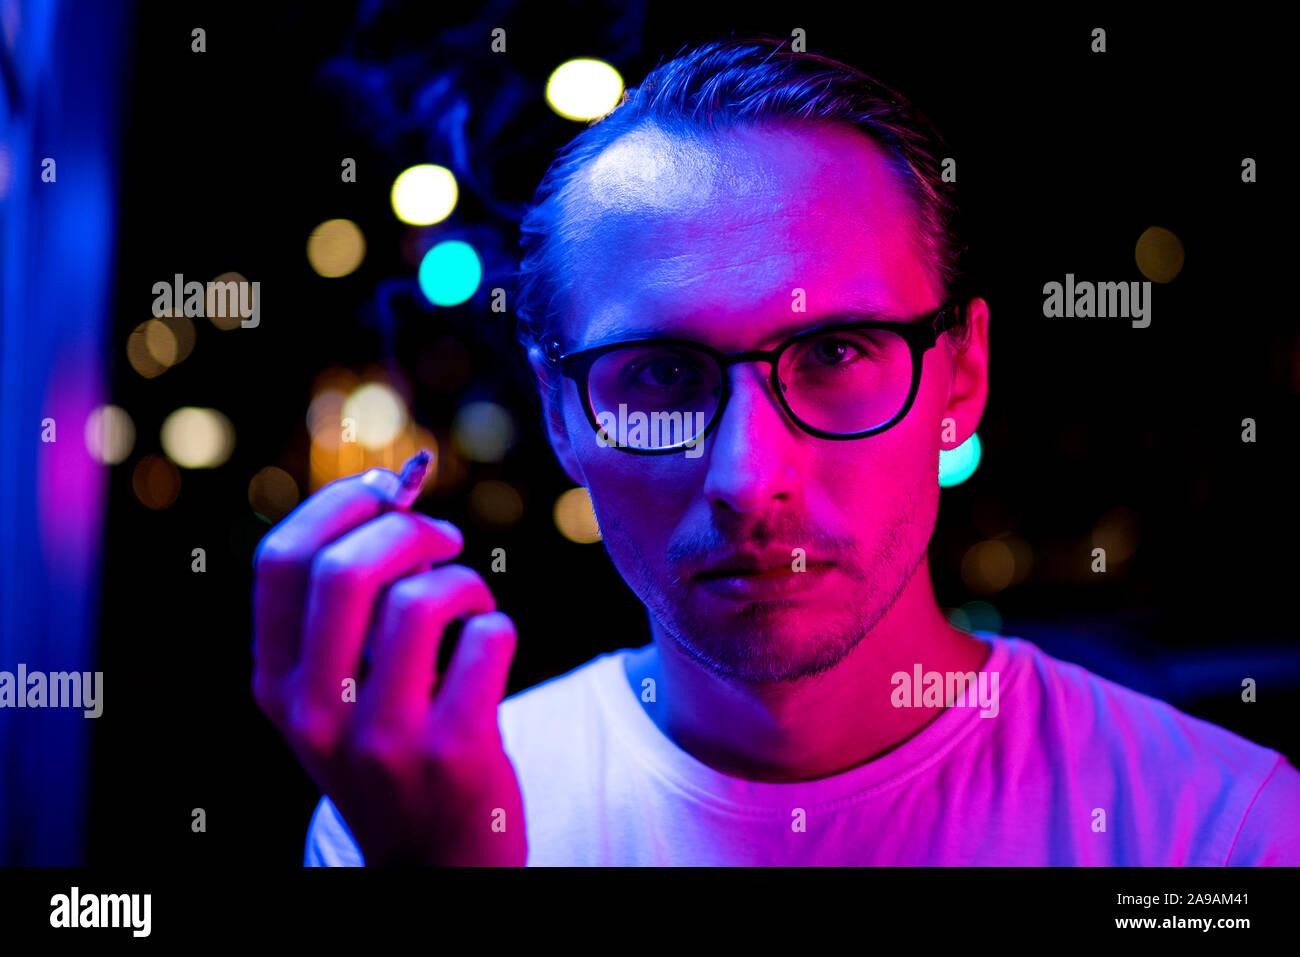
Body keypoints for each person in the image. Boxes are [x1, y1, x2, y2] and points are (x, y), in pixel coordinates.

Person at [252, 36, 1300, 866]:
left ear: (962, 379)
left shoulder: (1217, 830)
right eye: (660, 373)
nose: (750, 479)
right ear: (559, 413)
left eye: (837, 352)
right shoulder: (412, 822)